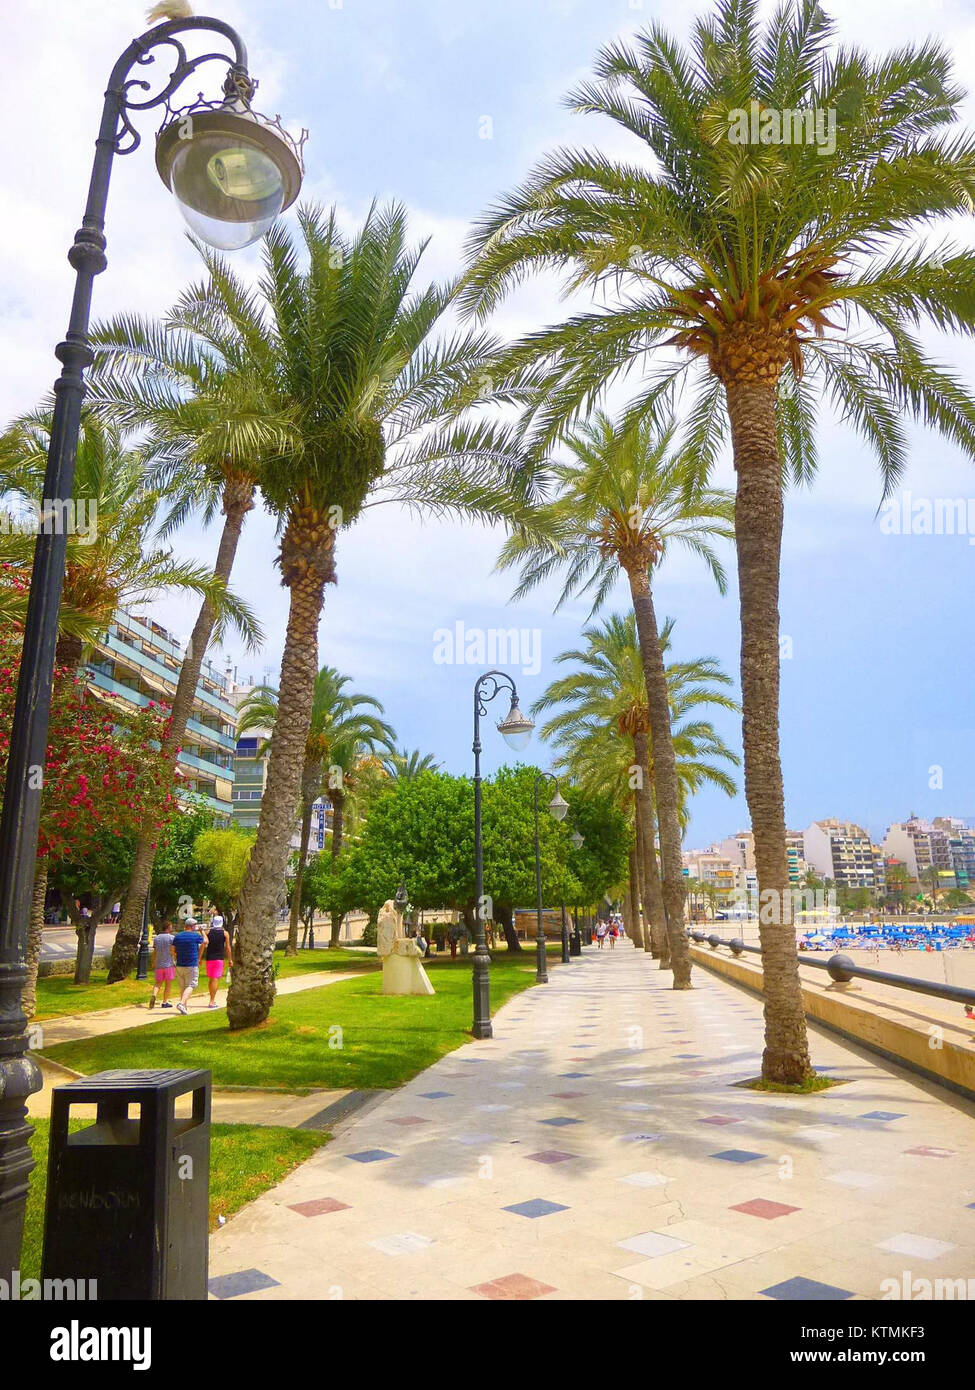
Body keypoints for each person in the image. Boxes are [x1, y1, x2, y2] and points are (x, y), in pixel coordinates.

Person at [173, 918, 206, 1015]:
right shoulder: (195, 936)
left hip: (179, 964)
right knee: (192, 984)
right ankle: (182, 1003)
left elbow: (172, 950)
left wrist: (175, 958)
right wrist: (202, 932)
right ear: (192, 926)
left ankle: (184, 1007)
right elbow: (205, 941)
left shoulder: (178, 936)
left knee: (183, 986)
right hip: (191, 964)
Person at [203, 914, 232, 1009]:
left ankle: (211, 998)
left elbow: (203, 943)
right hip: (218, 958)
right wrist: (230, 959)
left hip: (209, 958)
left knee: (211, 979)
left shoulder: (208, 932)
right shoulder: (225, 933)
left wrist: (199, 958)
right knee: (215, 979)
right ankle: (212, 1001)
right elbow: (227, 947)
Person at [149, 920, 176, 1009]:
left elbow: (155, 951)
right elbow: (172, 951)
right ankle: (165, 1001)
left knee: (158, 983)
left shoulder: (157, 938)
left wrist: (153, 961)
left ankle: (154, 995)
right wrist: (175, 958)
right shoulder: (172, 938)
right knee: (168, 984)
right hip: (168, 964)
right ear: (168, 928)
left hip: (159, 964)